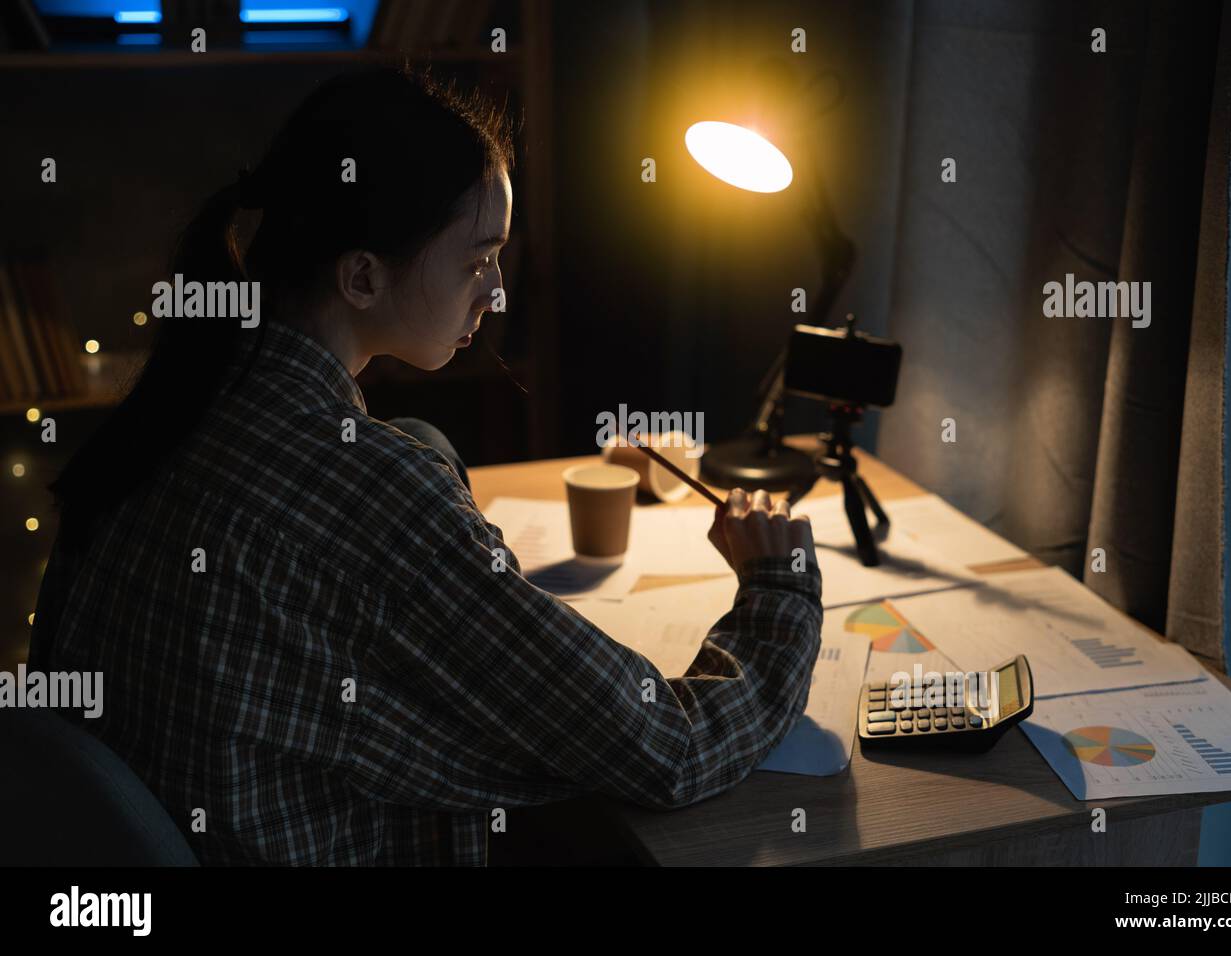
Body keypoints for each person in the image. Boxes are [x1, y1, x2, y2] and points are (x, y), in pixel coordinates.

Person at [29, 67, 822, 866]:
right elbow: (668, 750)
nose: (497, 291)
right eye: (479, 261)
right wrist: (777, 592)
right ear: (363, 275)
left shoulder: (166, 413)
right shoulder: (367, 493)